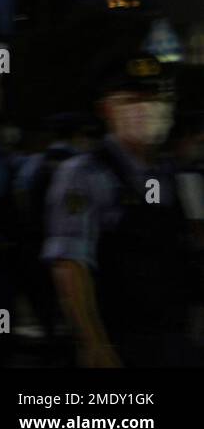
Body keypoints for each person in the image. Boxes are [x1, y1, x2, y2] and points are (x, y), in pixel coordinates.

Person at [45, 51, 199, 366]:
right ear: (106, 109)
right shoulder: (84, 174)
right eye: (131, 99)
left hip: (175, 340)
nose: (147, 108)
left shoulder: (171, 172)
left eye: (155, 97)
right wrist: (94, 345)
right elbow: (70, 264)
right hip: (121, 343)